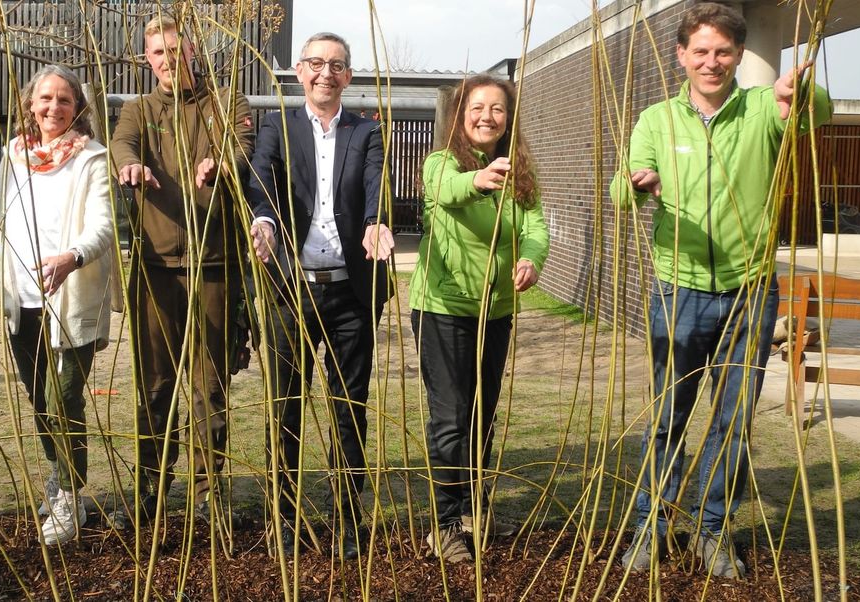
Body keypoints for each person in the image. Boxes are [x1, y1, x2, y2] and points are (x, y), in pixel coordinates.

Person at [611, 2, 832, 579]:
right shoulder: (656, 119)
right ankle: (650, 527)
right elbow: (620, 190)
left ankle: (712, 530)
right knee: (668, 417)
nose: (712, 62)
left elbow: (813, 118)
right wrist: (637, 184)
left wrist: (800, 95)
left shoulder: (762, 107)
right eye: (700, 51)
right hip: (677, 289)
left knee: (734, 421)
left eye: (724, 52)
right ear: (681, 56)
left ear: (737, 56)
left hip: (749, 291)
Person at [247, 31, 395, 562]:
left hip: (351, 293)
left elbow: (377, 183)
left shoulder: (367, 132)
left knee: (349, 411)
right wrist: (264, 222)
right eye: (315, 63)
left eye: (336, 65)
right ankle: (283, 522)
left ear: (348, 76)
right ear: (299, 71)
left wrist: (377, 222)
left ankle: (349, 522)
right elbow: (260, 179)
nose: (325, 72)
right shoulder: (277, 128)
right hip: (291, 290)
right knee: (284, 408)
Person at [108, 14, 254, 531]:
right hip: (156, 269)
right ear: (147, 60)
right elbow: (121, 145)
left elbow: (243, 146)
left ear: (191, 51)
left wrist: (222, 163)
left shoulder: (224, 102)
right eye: (157, 55)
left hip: (214, 266)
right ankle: (151, 488)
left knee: (208, 390)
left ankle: (207, 494)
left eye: (176, 51)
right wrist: (129, 165)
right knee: (155, 387)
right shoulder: (138, 110)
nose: (168, 62)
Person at [409, 75, 549, 564]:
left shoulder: (522, 170)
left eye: (498, 109)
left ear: (509, 119)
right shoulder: (440, 162)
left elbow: (535, 227)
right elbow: (446, 192)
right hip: (444, 308)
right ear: (459, 113)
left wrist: (531, 258)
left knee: (481, 415)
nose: (487, 116)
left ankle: (472, 506)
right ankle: (444, 523)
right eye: (478, 107)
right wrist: (479, 181)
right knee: (450, 417)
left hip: (496, 310)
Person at [0, 65, 116, 546]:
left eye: (63, 99)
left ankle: (70, 496)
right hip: (21, 296)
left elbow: (104, 225)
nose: (53, 107)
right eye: (45, 98)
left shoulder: (93, 159)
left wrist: (72, 257)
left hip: (72, 297)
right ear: (30, 104)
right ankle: (59, 476)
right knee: (40, 400)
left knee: (64, 399)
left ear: (77, 106)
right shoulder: (13, 155)